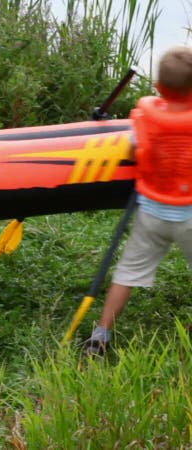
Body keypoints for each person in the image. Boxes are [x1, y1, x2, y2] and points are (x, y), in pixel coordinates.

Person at [84, 46, 192, 355]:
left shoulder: (147, 120)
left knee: (126, 274)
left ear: (159, 88)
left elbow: (133, 151)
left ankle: (100, 335)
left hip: (152, 214)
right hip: (189, 217)